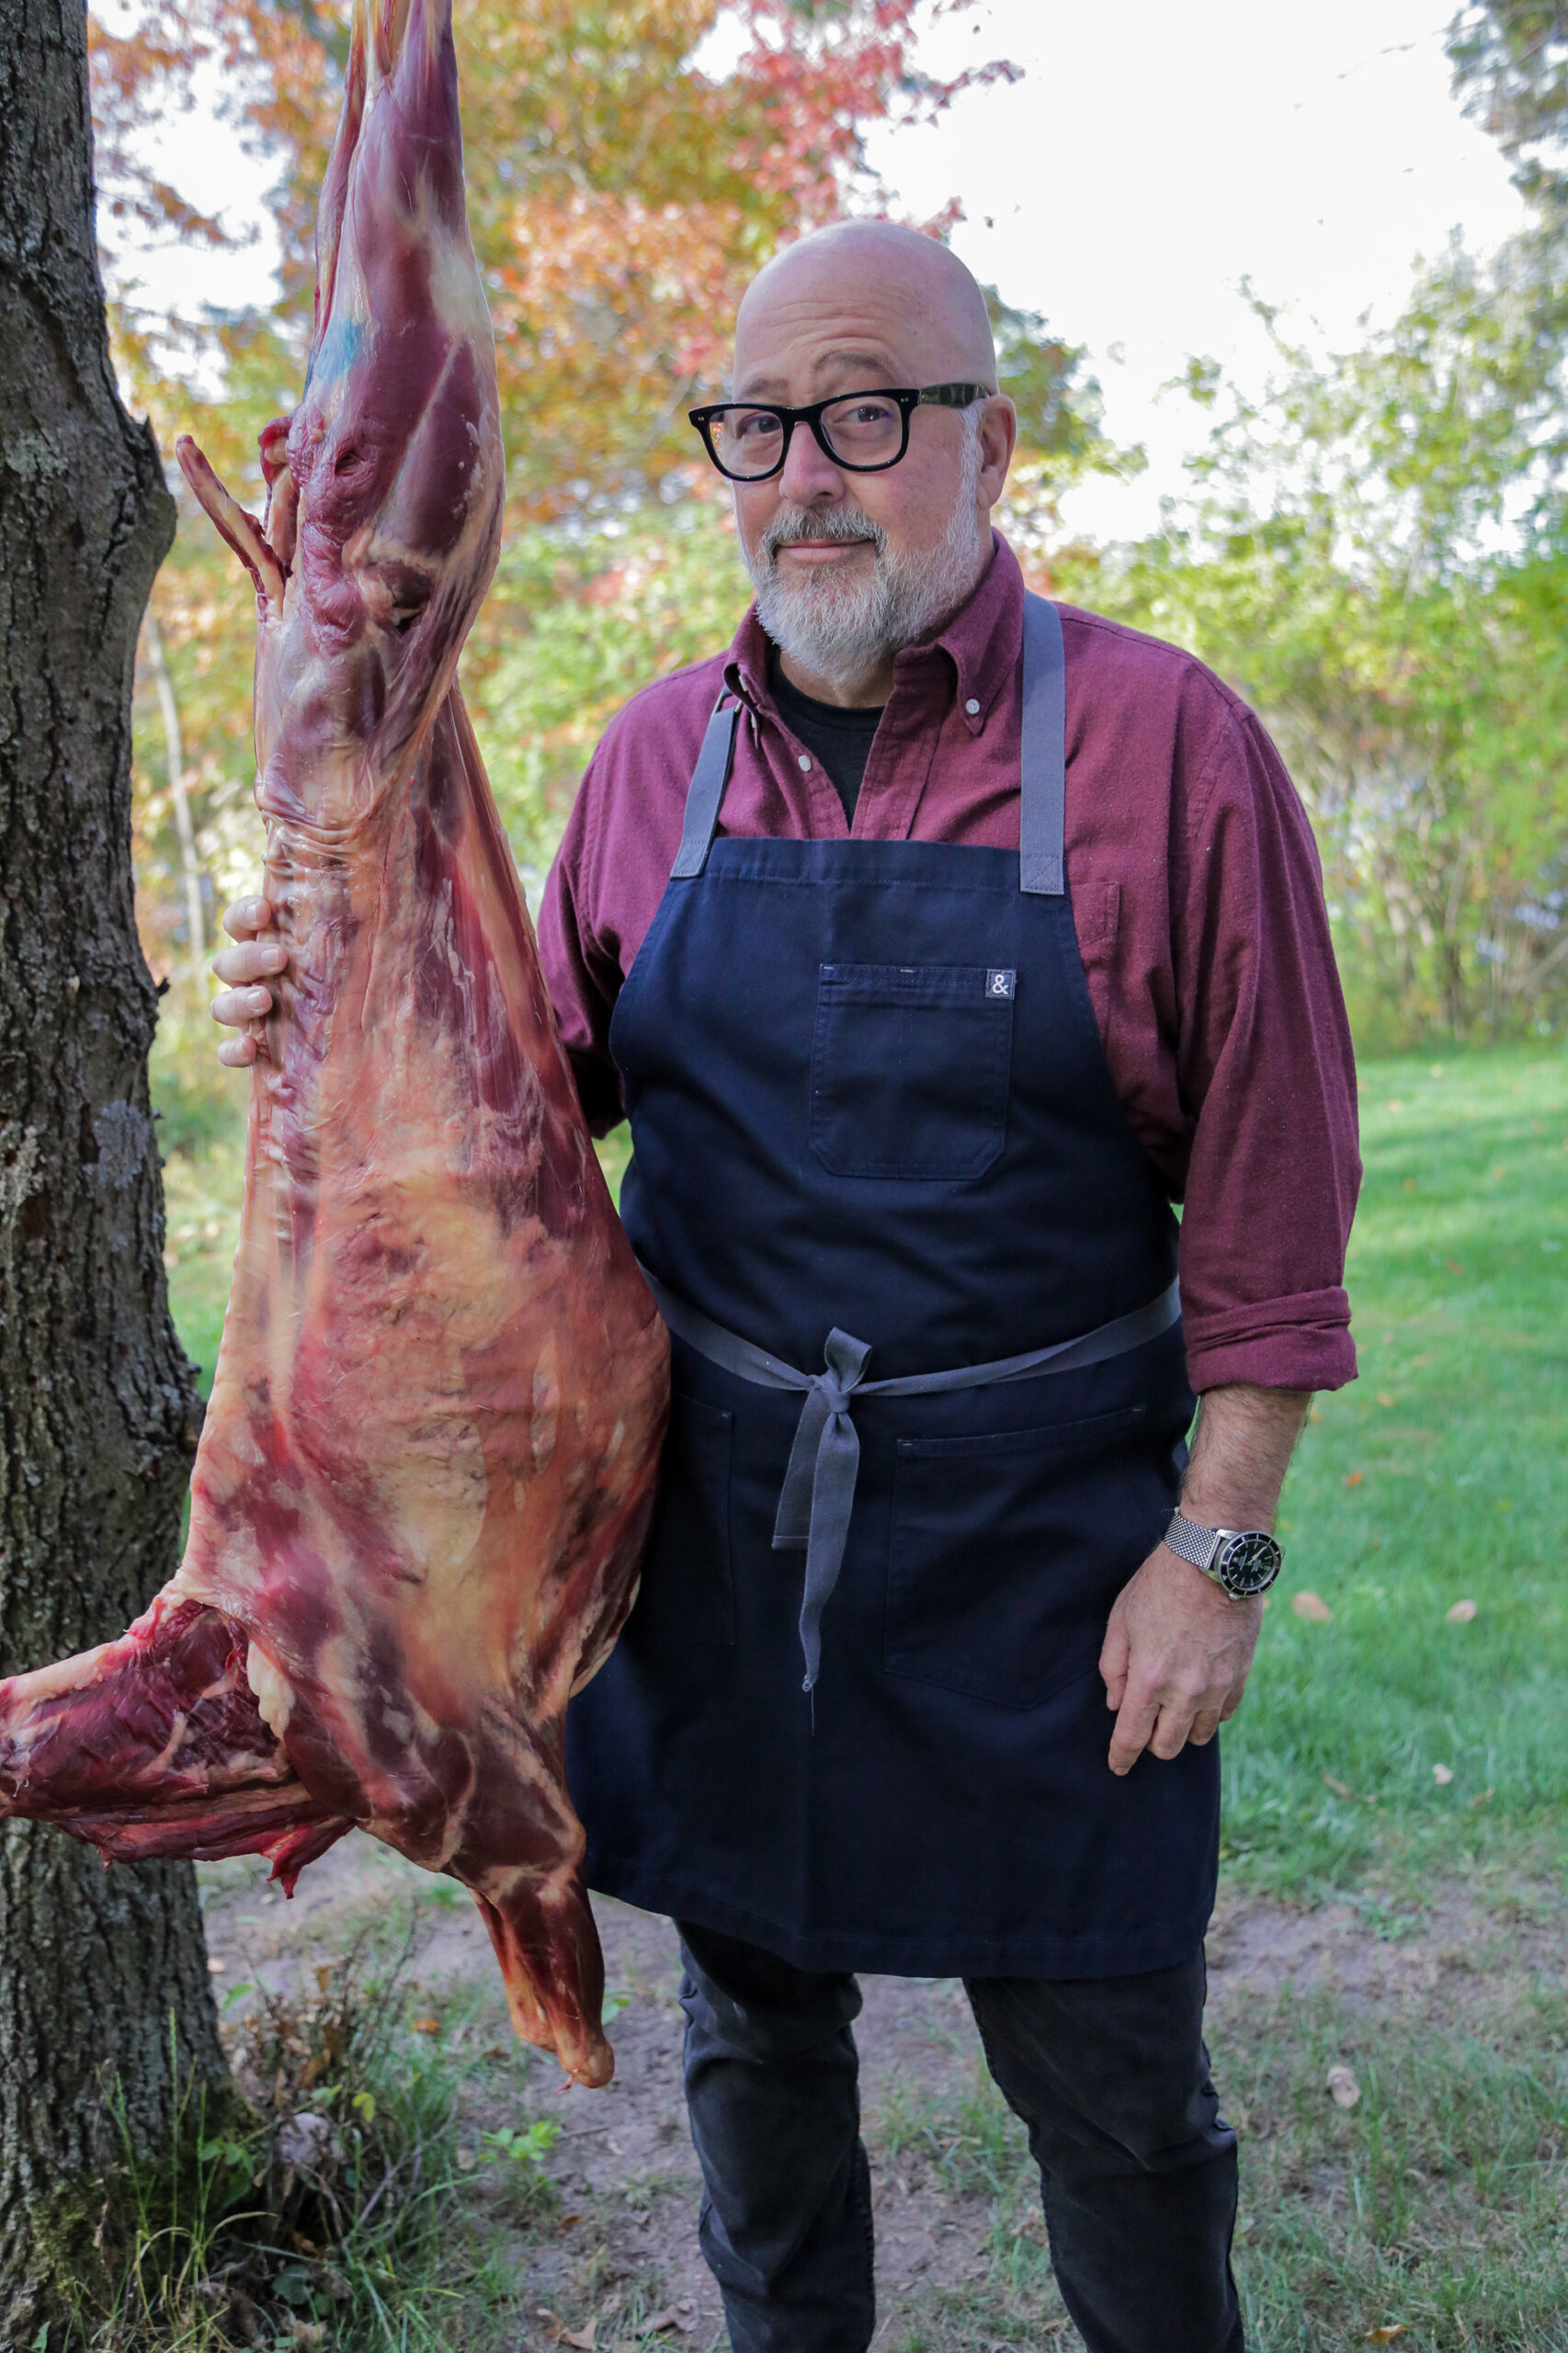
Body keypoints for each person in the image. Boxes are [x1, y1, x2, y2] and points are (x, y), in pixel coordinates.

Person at [212, 222, 1360, 2353]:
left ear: (987, 443)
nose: (801, 475)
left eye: (862, 415)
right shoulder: (655, 761)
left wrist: (1214, 1548)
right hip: (717, 1552)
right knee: (751, 2053)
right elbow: (511, 1140)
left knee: (1110, 2087)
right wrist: (315, 1004)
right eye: (756, 425)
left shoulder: (1167, 750)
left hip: (1047, 1564)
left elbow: (1277, 1220)